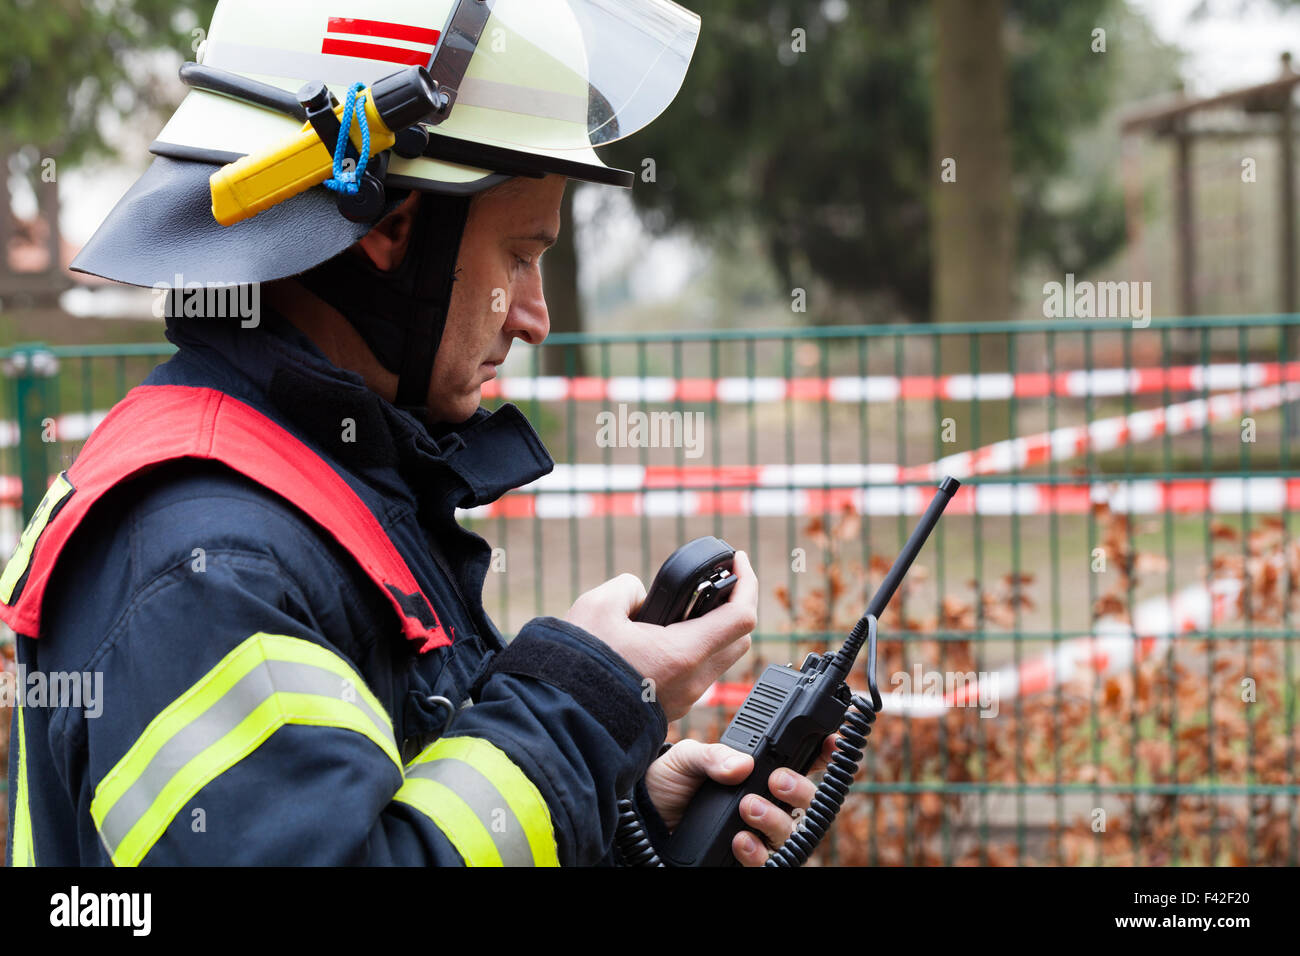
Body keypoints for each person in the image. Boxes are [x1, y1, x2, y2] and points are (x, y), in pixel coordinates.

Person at [3, 0, 832, 867]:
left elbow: (415, 812)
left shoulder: (325, 491)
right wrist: (580, 706)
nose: (536, 317)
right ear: (392, 232)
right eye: (520, 256)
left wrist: (632, 829)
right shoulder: (205, 563)